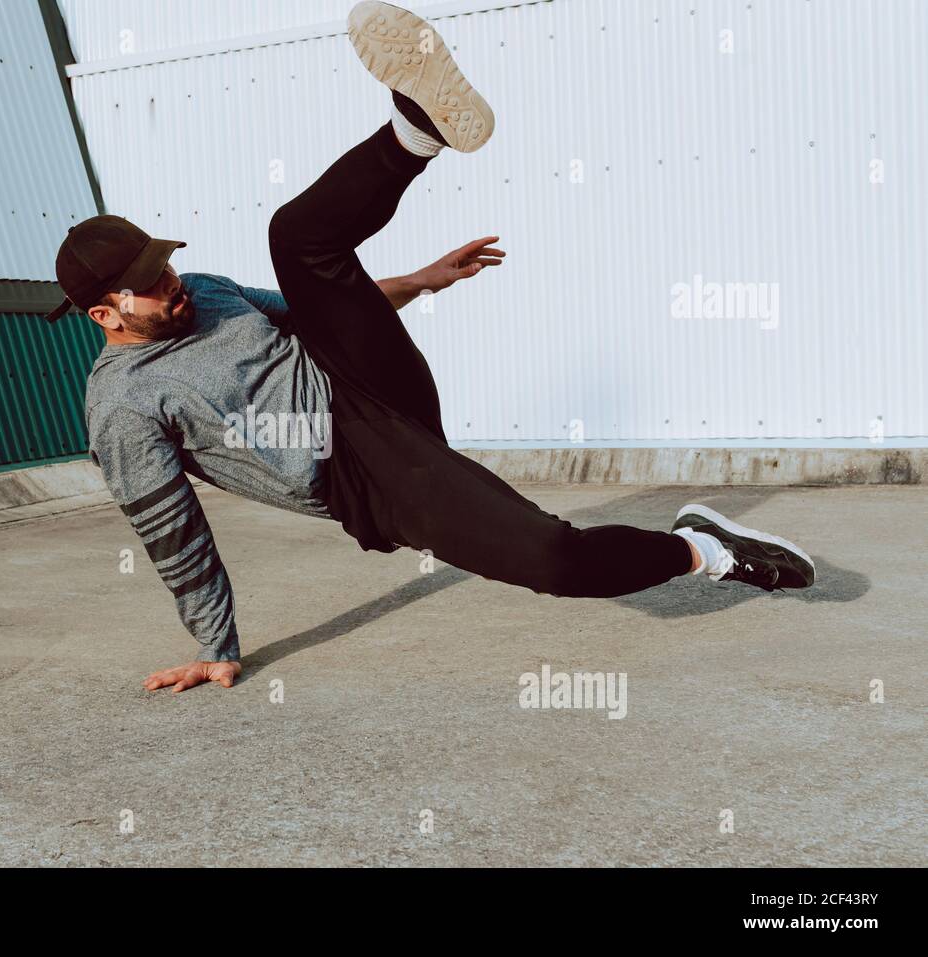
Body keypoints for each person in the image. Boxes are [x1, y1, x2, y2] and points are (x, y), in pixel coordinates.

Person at [45, 1, 815, 694]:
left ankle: (416, 125)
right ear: (104, 312)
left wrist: (421, 280)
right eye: (152, 283)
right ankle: (708, 550)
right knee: (553, 558)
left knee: (296, 235)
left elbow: (319, 301)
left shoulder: (204, 289)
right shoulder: (122, 405)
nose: (174, 282)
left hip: (361, 376)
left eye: (167, 263)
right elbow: (174, 531)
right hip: (360, 472)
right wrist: (216, 642)